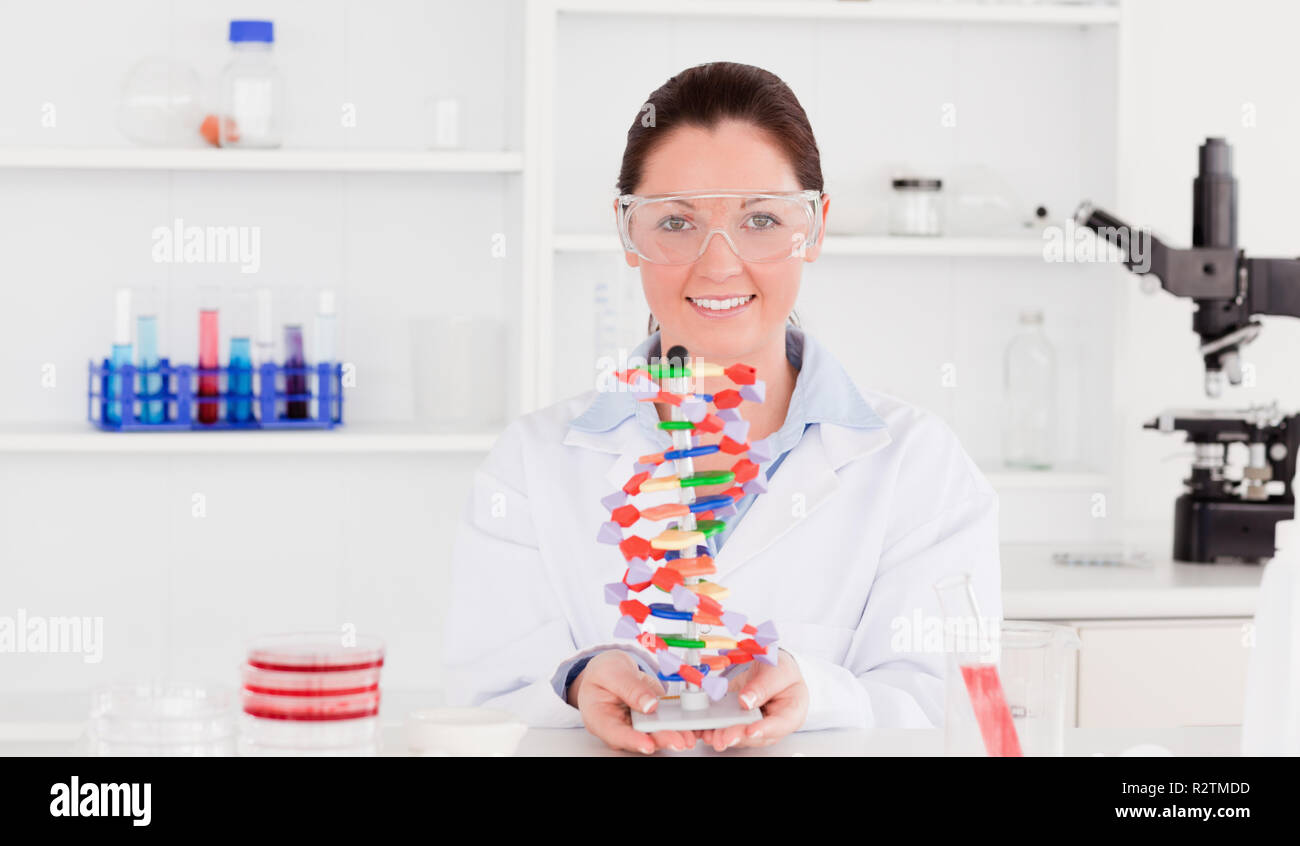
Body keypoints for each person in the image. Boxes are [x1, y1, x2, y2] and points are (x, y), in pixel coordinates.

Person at [441, 61, 1001, 754]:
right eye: (676, 221)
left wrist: (815, 691)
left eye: (761, 219)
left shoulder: (919, 463)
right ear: (627, 233)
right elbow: (485, 704)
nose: (718, 265)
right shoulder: (530, 463)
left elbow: (955, 709)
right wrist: (579, 683)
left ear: (815, 228)